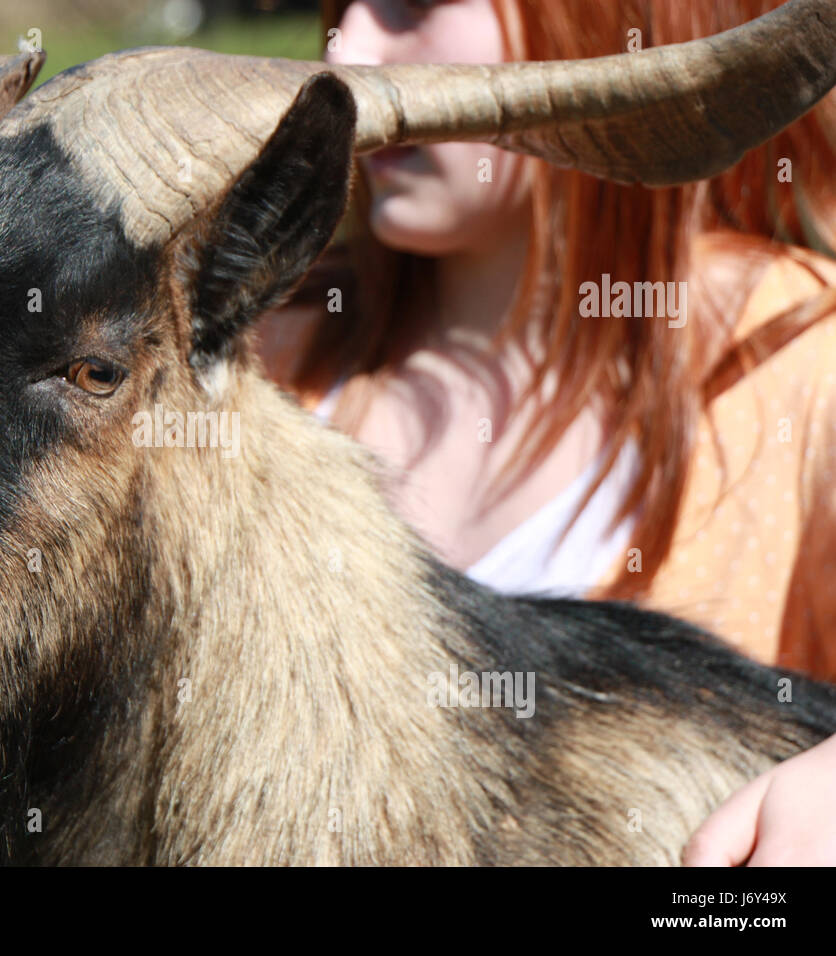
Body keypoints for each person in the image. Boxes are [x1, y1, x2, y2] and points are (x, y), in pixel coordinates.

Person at [257, 0, 836, 865]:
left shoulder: (803, 368)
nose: (348, 50)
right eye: (337, 5)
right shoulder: (246, 361)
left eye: (413, 4)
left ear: (616, 23)